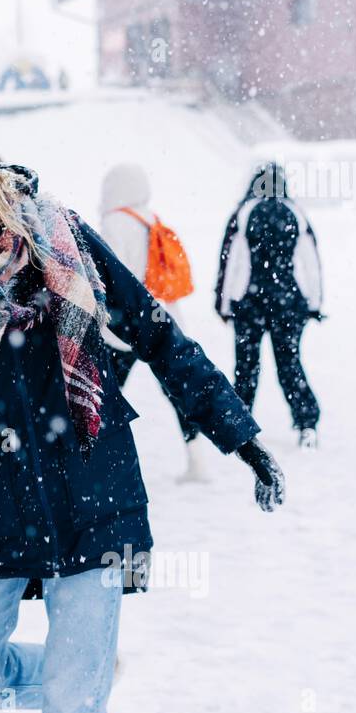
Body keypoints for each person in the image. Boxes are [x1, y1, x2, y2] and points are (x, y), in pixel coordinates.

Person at [0, 92, 285, 713]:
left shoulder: (59, 229)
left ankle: (80, 686)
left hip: (92, 488)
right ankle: (80, 674)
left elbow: (155, 331)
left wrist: (240, 435)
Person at [98, 162, 208, 482]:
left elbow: (111, 278)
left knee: (105, 395)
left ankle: (99, 463)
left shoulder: (115, 223)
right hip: (162, 320)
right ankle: (197, 459)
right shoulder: (152, 218)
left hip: (124, 327)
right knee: (176, 392)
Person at [215, 162, 324, 449]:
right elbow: (310, 262)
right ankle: (307, 422)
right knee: (290, 364)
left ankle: (240, 424)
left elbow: (230, 263)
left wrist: (223, 304)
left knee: (246, 367)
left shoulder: (244, 212)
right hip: (289, 303)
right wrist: (314, 302)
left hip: (249, 303)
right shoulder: (296, 213)